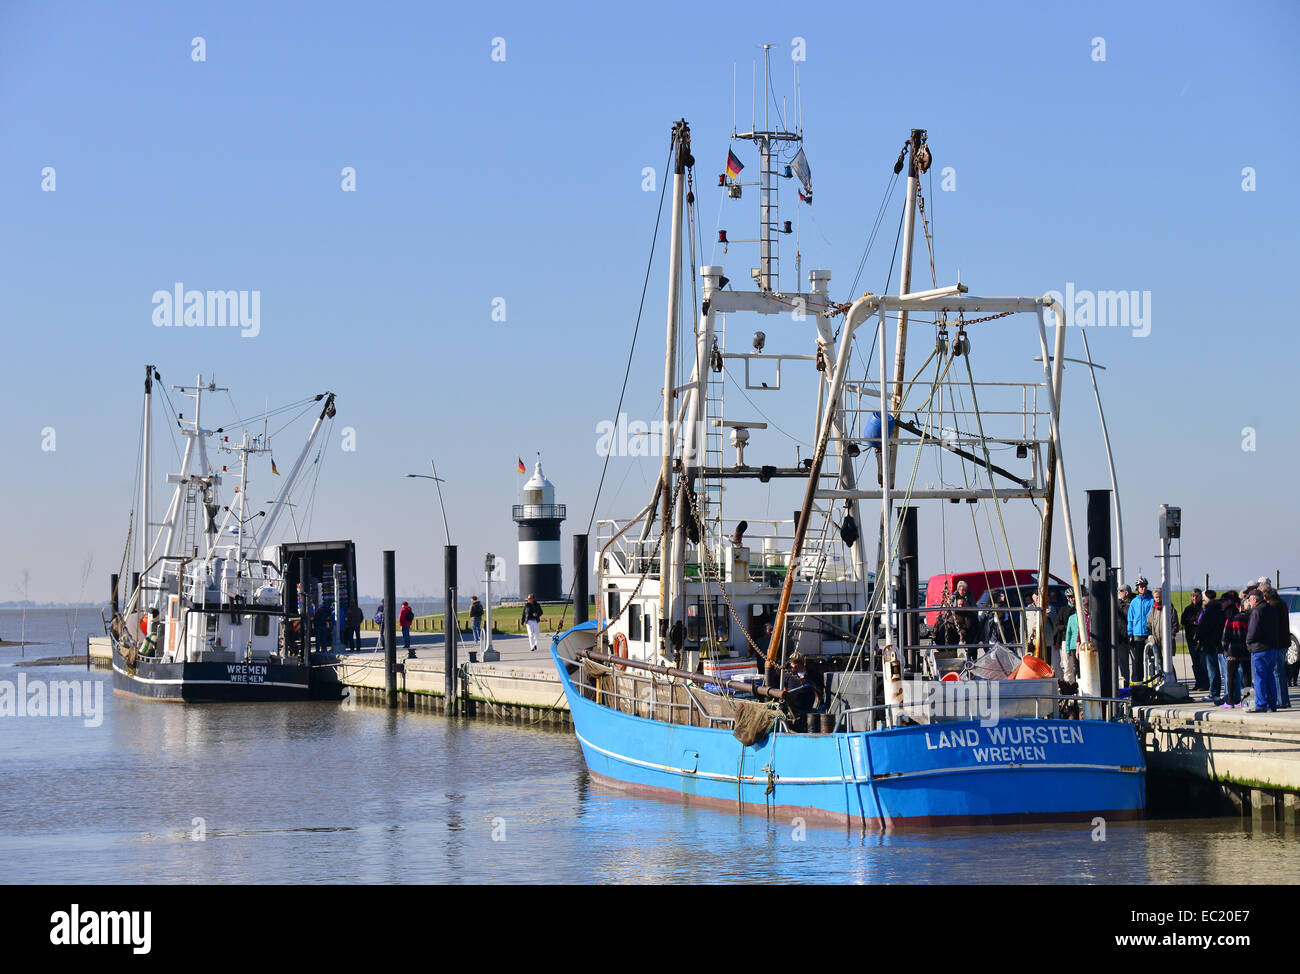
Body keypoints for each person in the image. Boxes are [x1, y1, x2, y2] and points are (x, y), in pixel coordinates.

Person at [1245, 587, 1278, 712]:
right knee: (1270, 677)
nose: (1249, 602)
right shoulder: (1271, 609)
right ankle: (1272, 704)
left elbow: (1253, 631)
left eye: (1250, 600)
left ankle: (1261, 704)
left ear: (1254, 600)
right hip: (1272, 648)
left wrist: (1248, 643)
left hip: (1259, 649)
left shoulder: (1256, 611)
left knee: (1259, 678)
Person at [1261, 581, 1291, 709]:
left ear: (1266, 595)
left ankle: (1282, 700)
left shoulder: (1273, 606)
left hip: (1278, 643)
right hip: (1284, 642)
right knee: (1280, 672)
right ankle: (1284, 700)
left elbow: (1273, 626)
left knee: (1277, 673)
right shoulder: (1281, 603)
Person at [1220, 591, 1249, 708]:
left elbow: (1225, 638)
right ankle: (1246, 701)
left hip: (1233, 651)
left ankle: (1230, 701)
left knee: (1231, 676)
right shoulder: (1249, 618)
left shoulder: (1231, 619)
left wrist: (1226, 649)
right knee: (1247, 676)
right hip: (1246, 651)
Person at [1125, 577, 1154, 684]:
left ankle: (1153, 678)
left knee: (1152, 657)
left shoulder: (1151, 600)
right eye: (1141, 587)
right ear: (1137, 588)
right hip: (1137, 633)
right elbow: (1130, 619)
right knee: (1138, 660)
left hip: (1149, 633)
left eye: (1145, 586)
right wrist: (1130, 633)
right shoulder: (1134, 602)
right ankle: (1139, 680)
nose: (1143, 588)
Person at [1198, 590, 1226, 700]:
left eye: (1204, 599)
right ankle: (1216, 692)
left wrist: (1198, 636)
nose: (1202, 601)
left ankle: (1214, 693)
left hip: (1210, 645)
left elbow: (1204, 628)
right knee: (1218, 670)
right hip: (1217, 644)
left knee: (1213, 670)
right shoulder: (1219, 610)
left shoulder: (1209, 612)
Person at [1145, 589, 1178, 679]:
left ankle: (1172, 680)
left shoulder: (1170, 609)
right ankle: (1160, 680)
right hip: (1156, 641)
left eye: (1159, 597)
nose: (1158, 599)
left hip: (1167, 642)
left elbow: (1175, 625)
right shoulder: (1153, 611)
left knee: (1168, 663)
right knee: (1158, 663)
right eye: (1156, 597)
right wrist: (1150, 636)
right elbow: (1149, 624)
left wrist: (1170, 637)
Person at [1181, 588, 1207, 691]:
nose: (1194, 598)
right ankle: (1198, 682)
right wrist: (1192, 622)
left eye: (1197, 596)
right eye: (1193, 596)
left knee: (1202, 662)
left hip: (1200, 639)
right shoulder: (1188, 609)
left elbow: (1202, 621)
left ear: (1201, 597)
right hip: (1190, 638)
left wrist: (1193, 621)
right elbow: (1183, 621)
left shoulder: (1203, 608)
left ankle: (1205, 683)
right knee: (1195, 662)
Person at [1061, 585, 1084, 684]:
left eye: (1073, 596)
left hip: (1082, 643)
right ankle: (1073, 685)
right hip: (1073, 645)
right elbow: (1068, 633)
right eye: (1070, 597)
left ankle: (1081, 684)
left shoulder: (1083, 613)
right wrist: (1067, 648)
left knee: (1083, 667)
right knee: (1074, 667)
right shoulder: (1065, 611)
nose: (1072, 599)